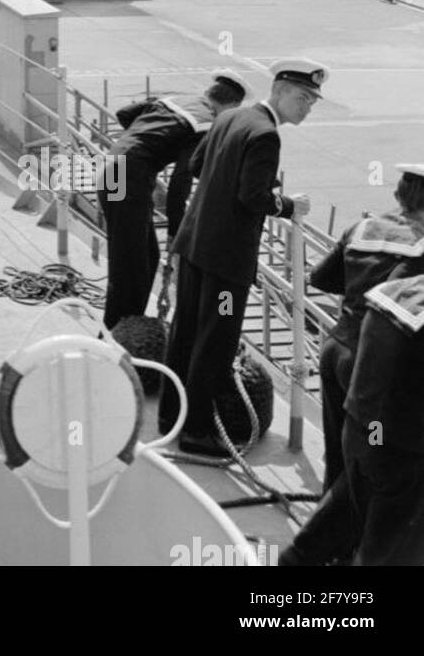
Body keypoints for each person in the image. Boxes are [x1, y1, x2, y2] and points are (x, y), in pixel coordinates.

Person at [157, 58, 321, 454]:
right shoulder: (267, 135)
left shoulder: (232, 117)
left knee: (185, 330)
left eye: (312, 101)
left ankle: (169, 414)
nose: (307, 106)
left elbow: (198, 165)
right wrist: (286, 205)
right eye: (302, 97)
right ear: (279, 91)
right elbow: (253, 197)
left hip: (195, 245)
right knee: (215, 341)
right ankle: (196, 432)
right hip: (225, 261)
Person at [278, 164, 424, 566]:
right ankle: (356, 547)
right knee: (376, 459)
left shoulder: (364, 229)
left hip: (336, 348)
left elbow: (322, 278)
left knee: (346, 454)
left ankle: (325, 542)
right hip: (375, 362)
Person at [99, 72, 248, 330]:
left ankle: (131, 323)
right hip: (128, 179)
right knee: (129, 264)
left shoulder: (173, 101)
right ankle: (115, 334)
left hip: (113, 169)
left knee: (147, 257)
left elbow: (124, 114)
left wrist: (143, 156)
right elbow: (181, 181)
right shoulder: (205, 124)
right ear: (231, 107)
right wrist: (174, 233)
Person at [340, 261, 424, 565]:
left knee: (336, 526)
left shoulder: (393, 288)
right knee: (390, 550)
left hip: (361, 432)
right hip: (403, 453)